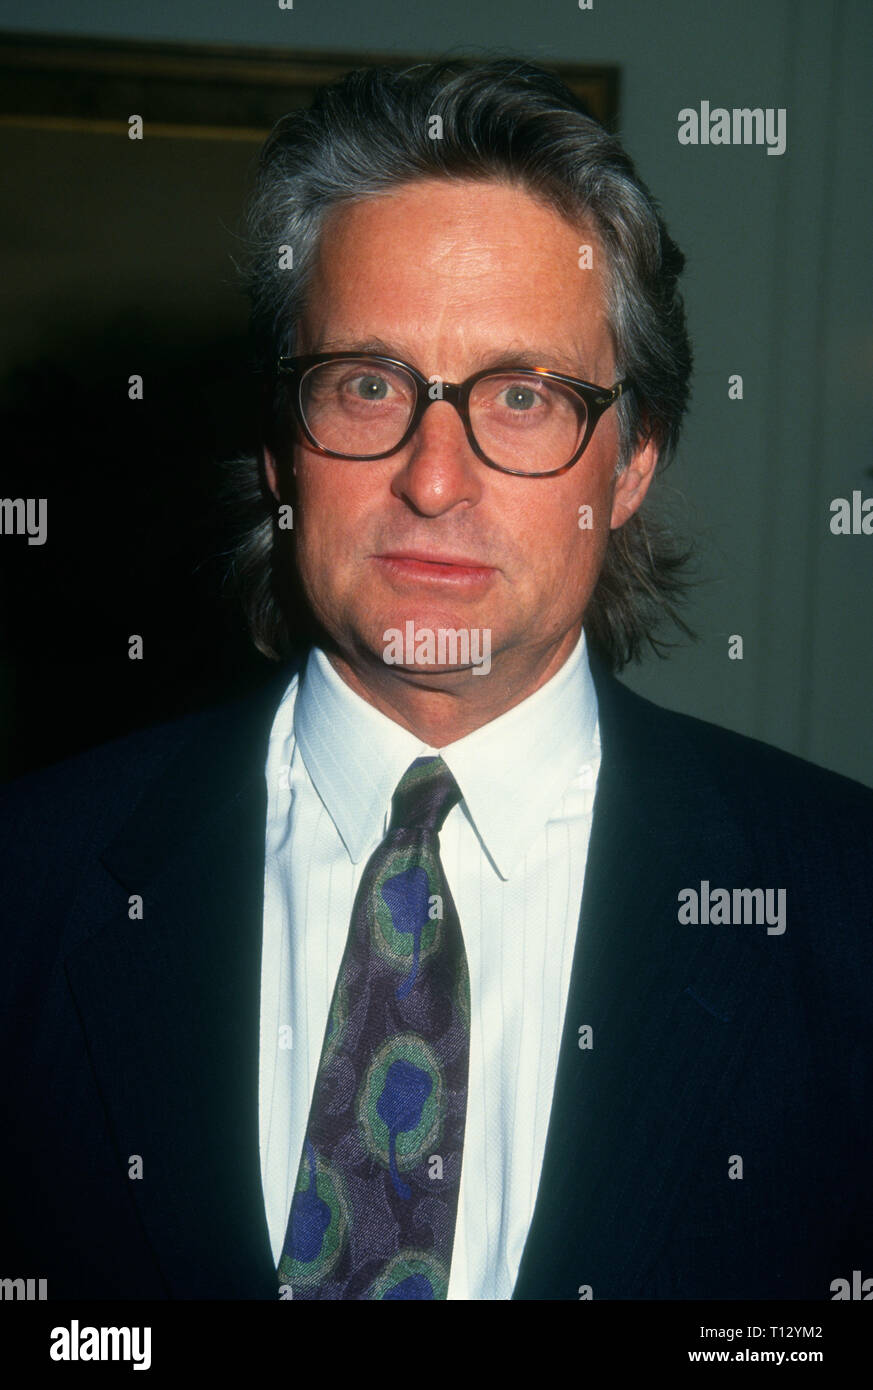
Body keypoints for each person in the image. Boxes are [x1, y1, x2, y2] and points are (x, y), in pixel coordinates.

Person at [1, 58, 871, 1302]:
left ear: (627, 467)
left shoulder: (841, 911)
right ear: (280, 447)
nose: (433, 477)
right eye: (368, 384)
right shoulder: (29, 889)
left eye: (523, 396)